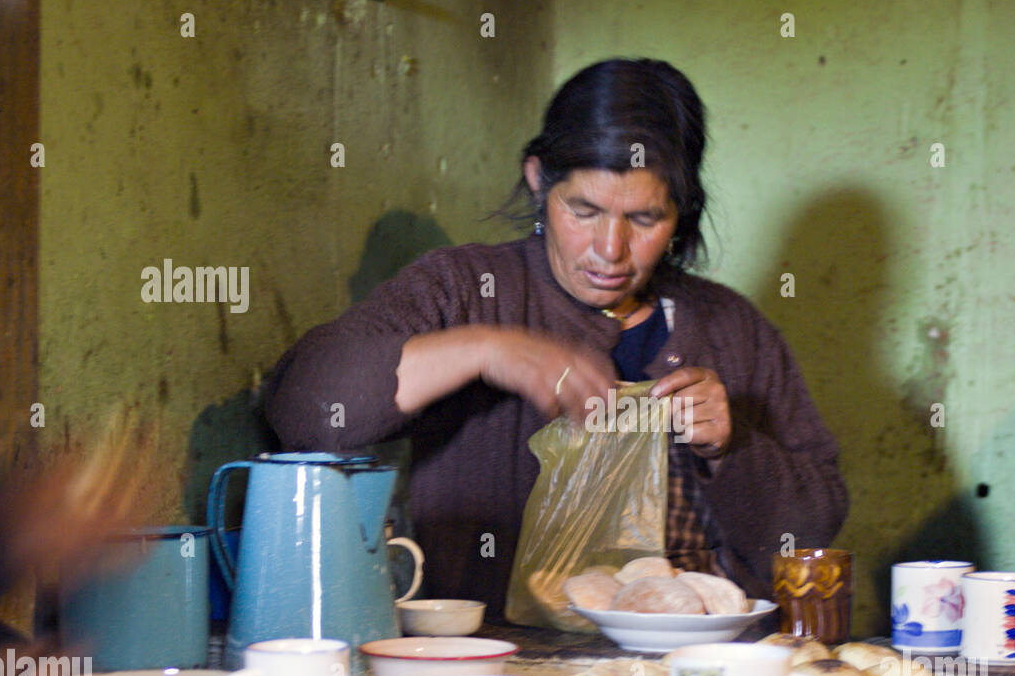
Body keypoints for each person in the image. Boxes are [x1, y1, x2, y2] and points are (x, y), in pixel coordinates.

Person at [265, 58, 848, 620]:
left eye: (645, 220)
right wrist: (485, 349)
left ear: (683, 211)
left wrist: (732, 447)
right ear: (539, 180)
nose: (610, 250)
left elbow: (811, 533)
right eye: (584, 210)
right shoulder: (468, 290)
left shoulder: (730, 328)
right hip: (503, 674)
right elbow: (304, 412)